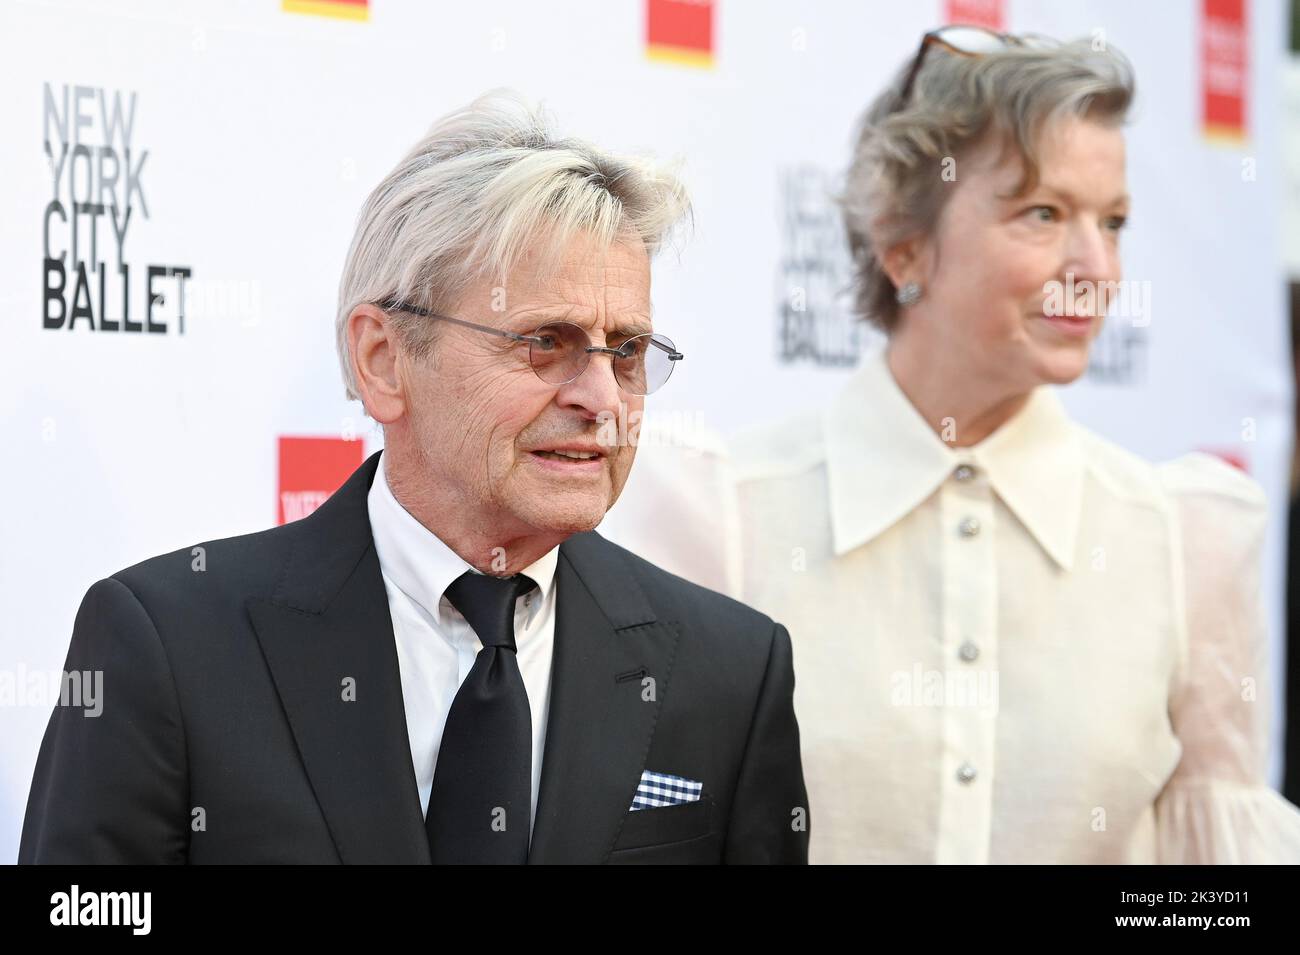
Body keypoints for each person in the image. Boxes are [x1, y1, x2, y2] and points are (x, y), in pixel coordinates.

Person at [18, 91, 809, 865]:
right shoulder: (168, 648)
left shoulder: (728, 672)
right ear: (383, 360)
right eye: (545, 341)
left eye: (628, 351)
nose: (602, 399)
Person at [605, 28, 1300, 863]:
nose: (1095, 266)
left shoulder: (1187, 539)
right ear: (904, 247)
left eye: (1112, 222)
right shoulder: (720, 515)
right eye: (1042, 213)